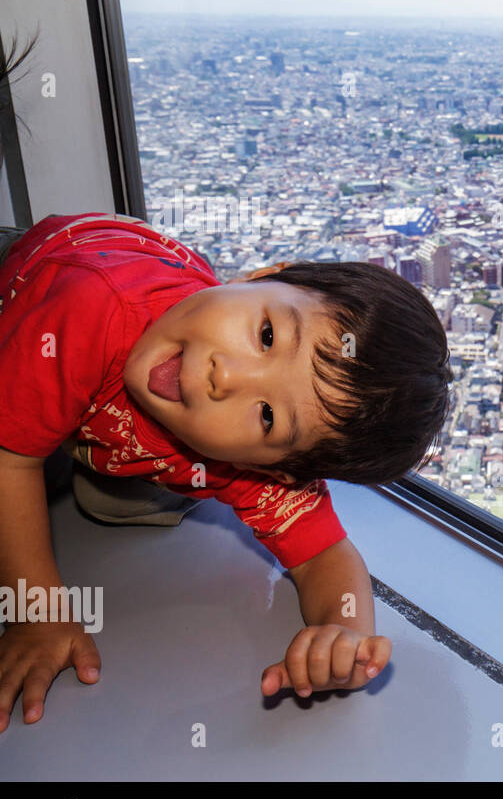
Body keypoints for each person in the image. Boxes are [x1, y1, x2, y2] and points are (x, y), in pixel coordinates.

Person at [0, 210, 455, 733]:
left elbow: (327, 554)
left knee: (115, 500)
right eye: (265, 335)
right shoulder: (87, 306)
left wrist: (343, 633)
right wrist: (38, 616)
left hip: (111, 398)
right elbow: (10, 460)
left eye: (267, 416)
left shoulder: (246, 468)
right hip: (43, 270)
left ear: (277, 472)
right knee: (27, 433)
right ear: (261, 275)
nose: (227, 374)